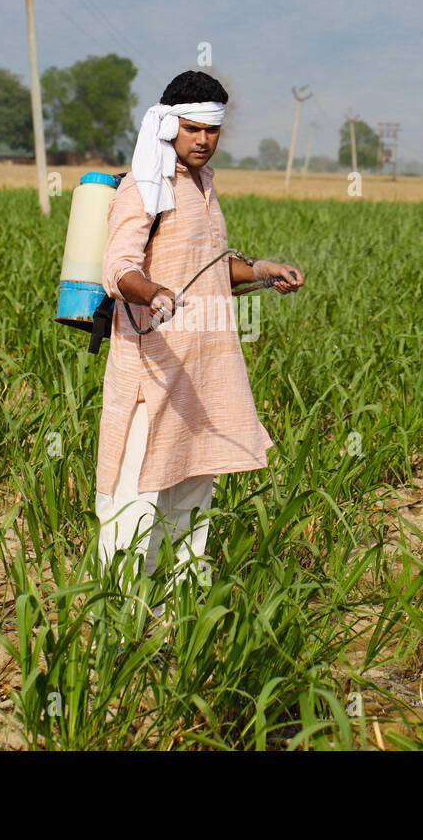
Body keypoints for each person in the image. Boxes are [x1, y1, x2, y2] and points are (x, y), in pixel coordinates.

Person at [94, 70, 304, 608]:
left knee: (189, 500)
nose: (203, 140)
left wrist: (259, 269)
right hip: (153, 371)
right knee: (134, 503)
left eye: (212, 131)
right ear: (169, 126)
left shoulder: (205, 187)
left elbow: (210, 267)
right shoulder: (144, 186)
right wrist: (152, 291)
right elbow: (116, 270)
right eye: (192, 129)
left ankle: (174, 622)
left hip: (205, 373)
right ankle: (117, 625)